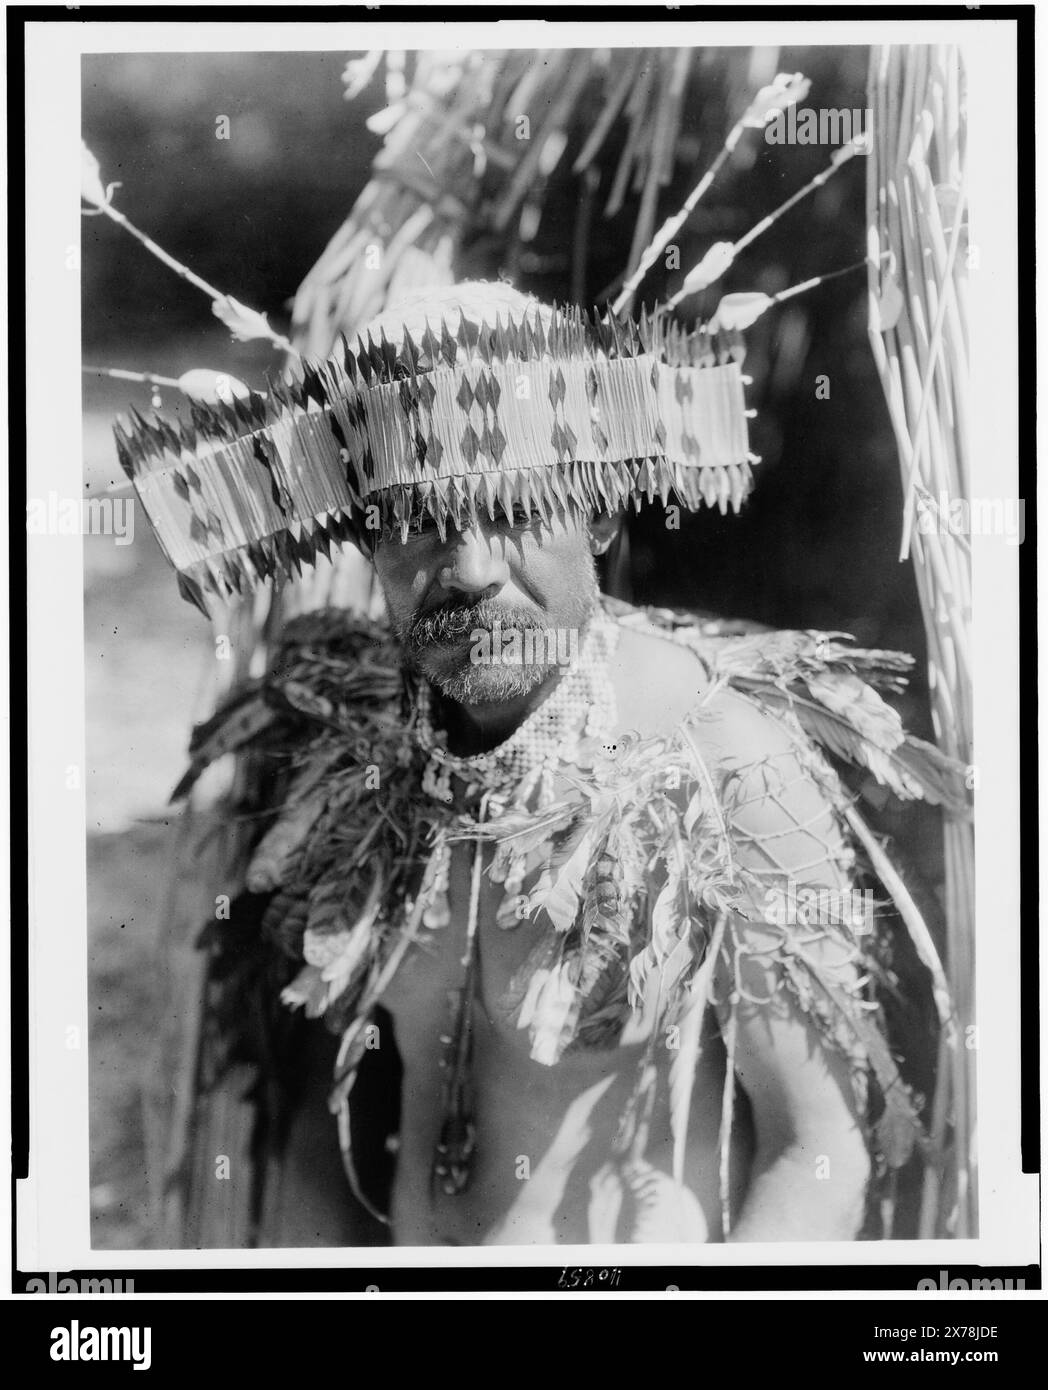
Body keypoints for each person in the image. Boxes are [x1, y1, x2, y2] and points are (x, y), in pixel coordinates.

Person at [119, 280, 955, 1246]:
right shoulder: (355, 746)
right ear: (373, 547)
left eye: (511, 512)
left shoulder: (722, 764)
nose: (469, 570)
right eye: (420, 525)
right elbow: (313, 1114)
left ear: (597, 518)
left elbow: (821, 1154)